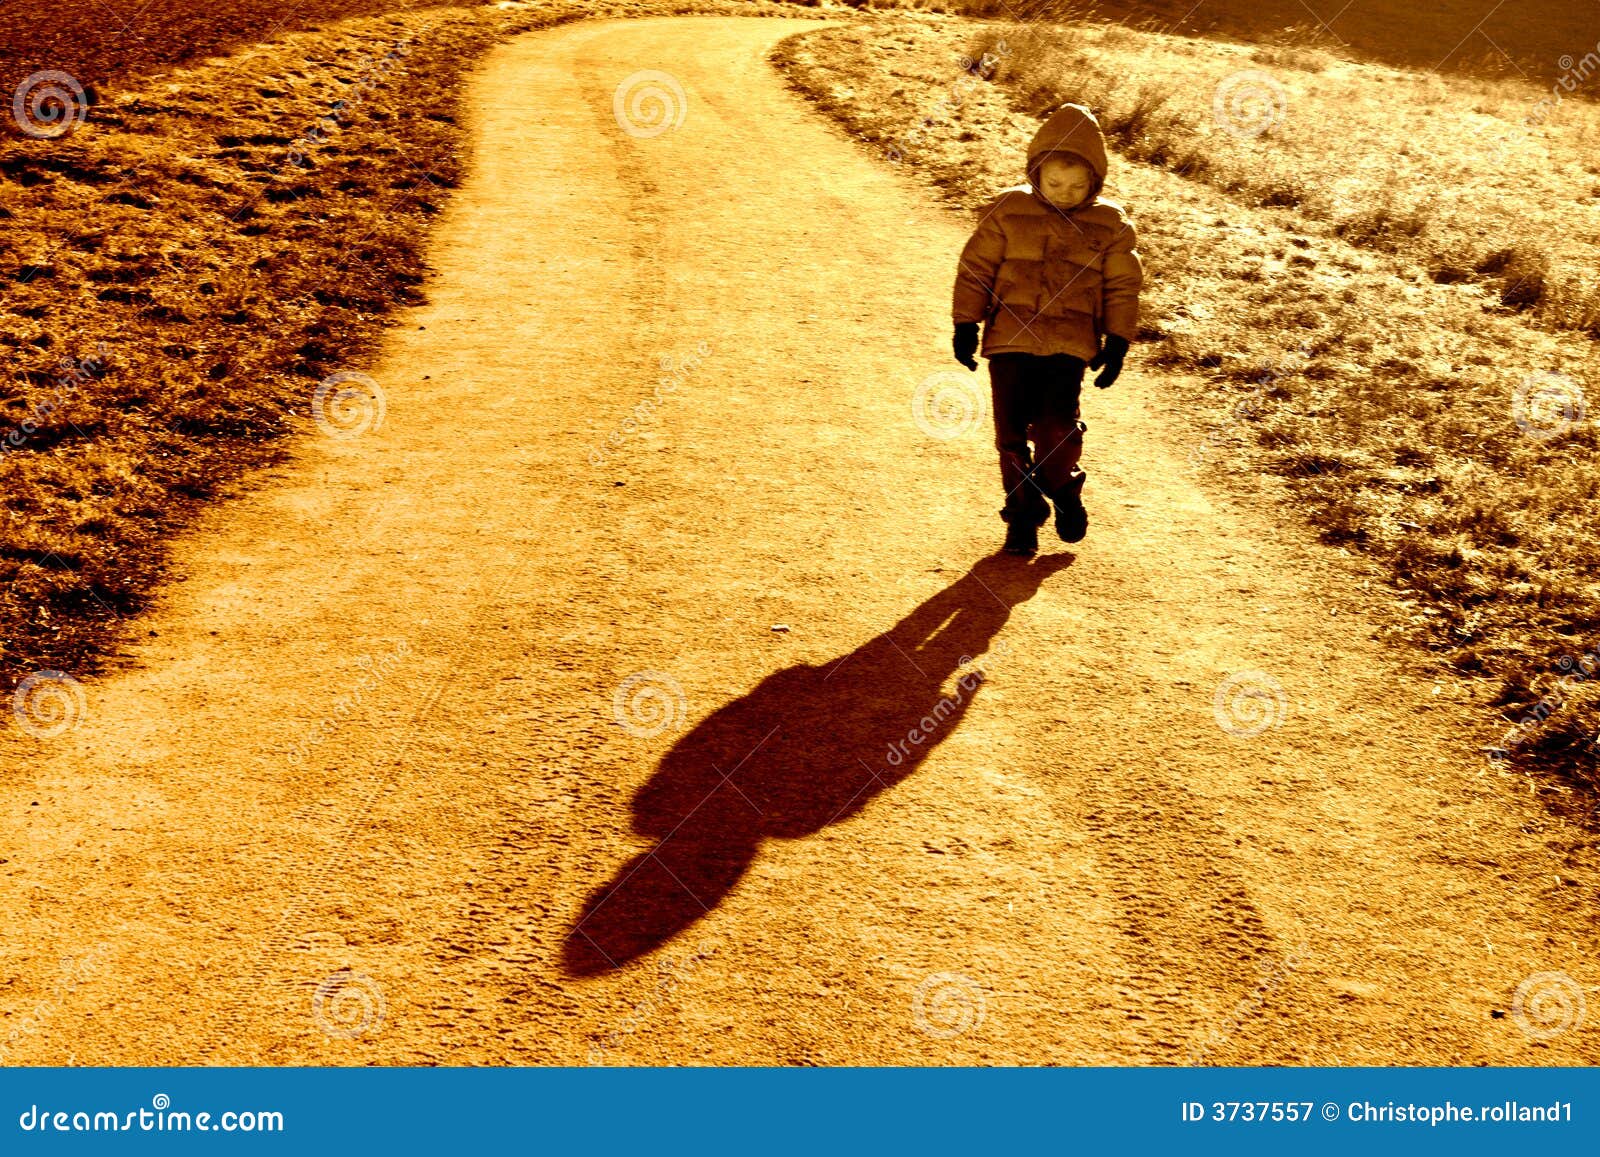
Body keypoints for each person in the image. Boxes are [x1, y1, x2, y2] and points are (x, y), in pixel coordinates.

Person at [950, 102, 1144, 556]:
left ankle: (1063, 486)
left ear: (1095, 181)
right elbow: (975, 268)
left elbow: (1123, 287)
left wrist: (1117, 342)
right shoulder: (1008, 210)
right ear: (1036, 173)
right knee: (1012, 435)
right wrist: (965, 324)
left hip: (1068, 345)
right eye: (1054, 183)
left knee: (1057, 426)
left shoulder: (1110, 224)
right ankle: (1022, 519)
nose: (1065, 193)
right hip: (1009, 342)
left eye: (1079, 186)